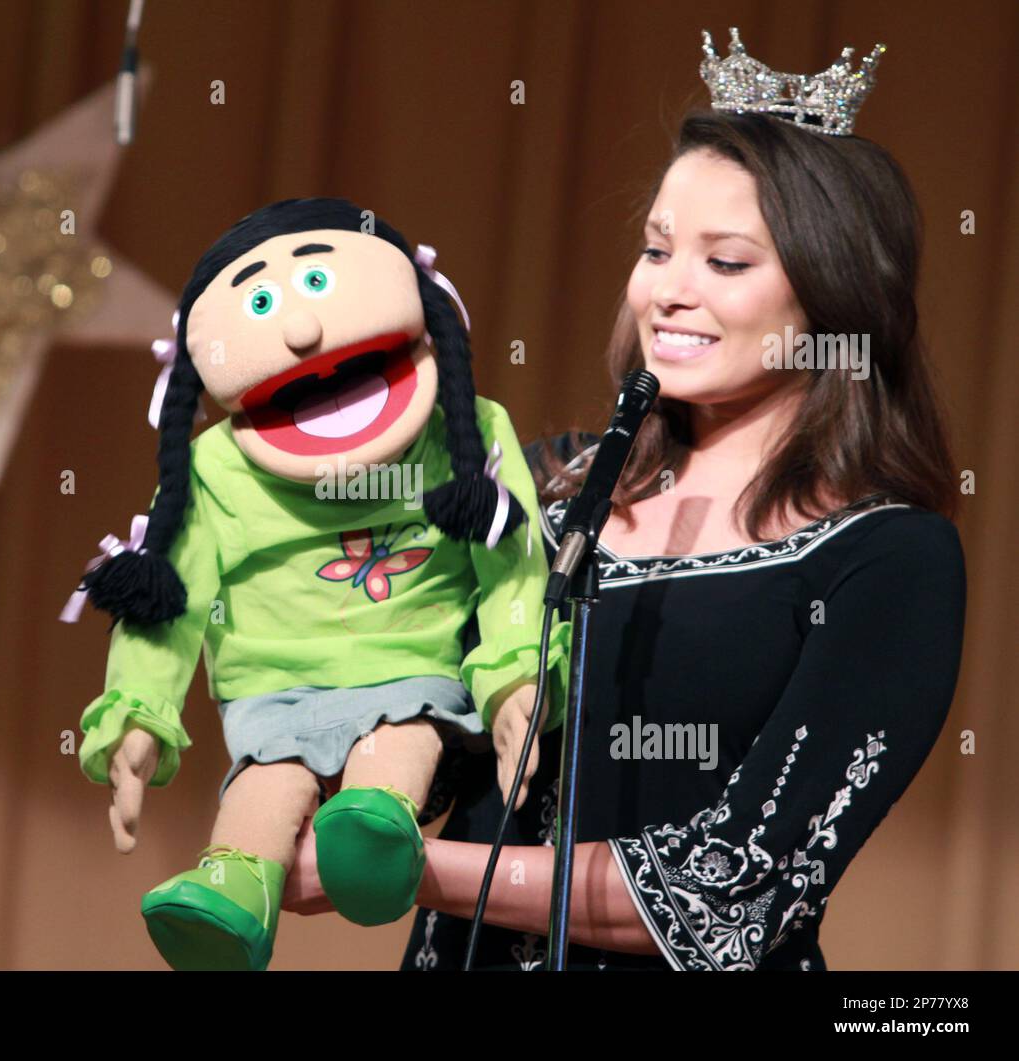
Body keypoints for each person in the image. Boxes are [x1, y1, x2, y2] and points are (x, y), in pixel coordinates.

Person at [282, 34, 968, 971]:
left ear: (836, 297)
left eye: (727, 263)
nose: (667, 291)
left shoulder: (888, 559)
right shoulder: (537, 487)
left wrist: (403, 868)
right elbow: (412, 726)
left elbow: (727, 898)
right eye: (656, 249)